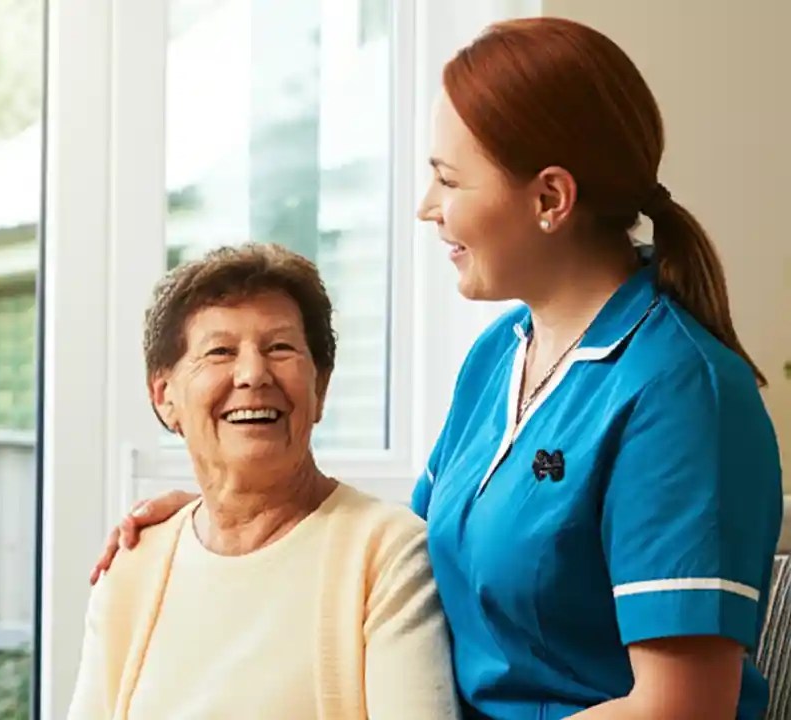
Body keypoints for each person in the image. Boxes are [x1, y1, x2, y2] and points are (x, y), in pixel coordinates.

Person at [89, 17, 784, 720]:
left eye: (448, 180)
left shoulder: (681, 392)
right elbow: (416, 552)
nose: (427, 208)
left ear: (550, 199)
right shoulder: (501, 354)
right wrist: (235, 512)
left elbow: (682, 707)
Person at [68, 243, 460, 719]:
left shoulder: (386, 552)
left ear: (320, 386)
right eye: (220, 352)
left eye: (280, 348)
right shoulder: (134, 565)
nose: (253, 374)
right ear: (164, 396)